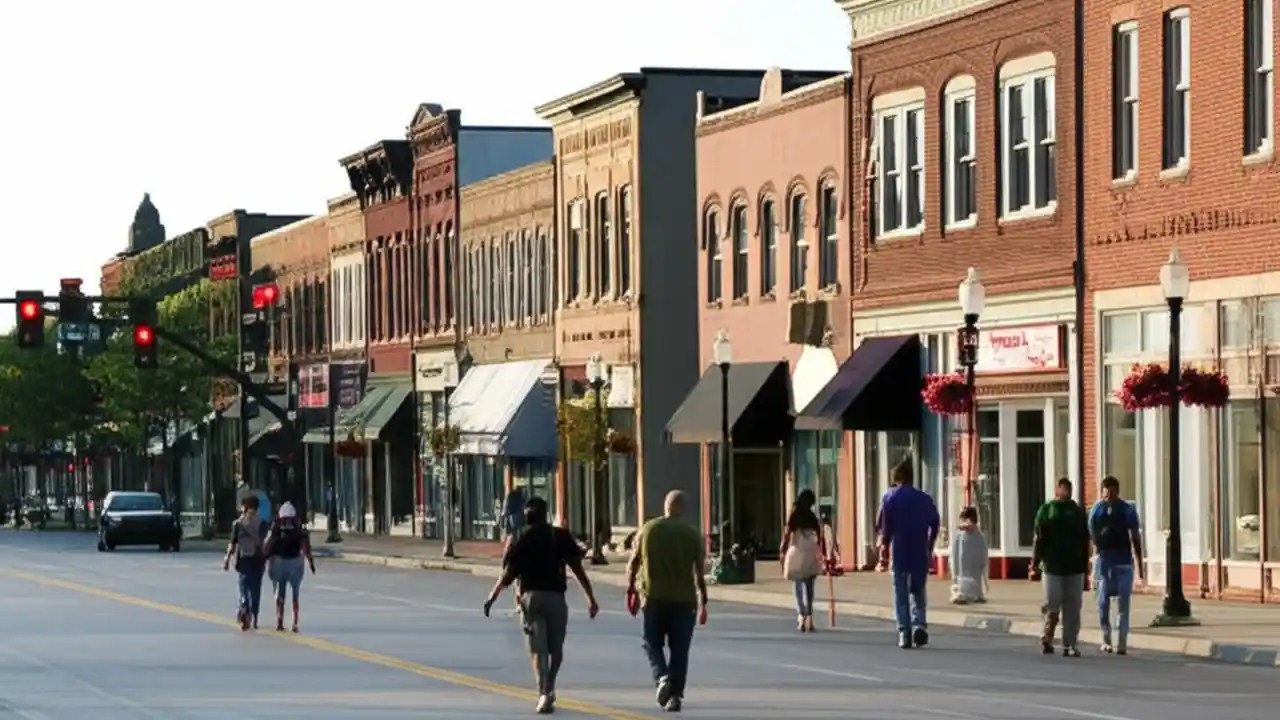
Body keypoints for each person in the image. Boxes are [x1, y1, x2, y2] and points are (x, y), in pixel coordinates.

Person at [483, 496, 598, 715]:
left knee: (538, 651)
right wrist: (590, 597)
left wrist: (492, 596)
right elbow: (578, 569)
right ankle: (550, 685)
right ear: (546, 514)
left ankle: (544, 692)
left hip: (531, 600)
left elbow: (508, 574)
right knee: (556, 651)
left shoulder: (521, 538)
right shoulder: (560, 536)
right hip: (555, 599)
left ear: (526, 516)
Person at [626, 490, 708, 713]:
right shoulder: (693, 534)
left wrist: (630, 590)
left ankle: (662, 676)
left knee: (651, 642)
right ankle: (675, 696)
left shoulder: (648, 529)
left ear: (666, 506)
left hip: (654, 598)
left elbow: (633, 563)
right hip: (684, 601)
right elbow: (699, 573)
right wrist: (704, 601)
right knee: (680, 650)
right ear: (684, 508)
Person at [876, 460, 940, 649]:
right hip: (919, 549)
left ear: (896, 478)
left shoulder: (889, 497)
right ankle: (919, 622)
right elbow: (935, 523)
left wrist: (884, 548)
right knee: (918, 589)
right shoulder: (924, 498)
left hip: (900, 549)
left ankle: (904, 631)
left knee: (900, 591)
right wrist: (930, 545)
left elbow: (883, 526)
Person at [1031, 477, 1090, 657]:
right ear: (1056, 489)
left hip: (1074, 566)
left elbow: (1085, 540)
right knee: (1052, 602)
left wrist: (1086, 566)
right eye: (1062, 487)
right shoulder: (1047, 510)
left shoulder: (1078, 512)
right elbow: (1039, 538)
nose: (1065, 491)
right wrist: (1034, 564)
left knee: (1073, 606)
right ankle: (1047, 636)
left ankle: (1070, 643)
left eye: (1068, 488)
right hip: (1052, 565)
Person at [1090, 475, 1145, 655]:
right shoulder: (1096, 511)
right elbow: (1092, 538)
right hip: (1104, 563)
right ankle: (1106, 638)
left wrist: (1139, 564)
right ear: (1102, 493)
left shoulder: (1127, 510)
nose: (1109, 500)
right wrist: (1091, 563)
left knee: (1123, 604)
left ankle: (1122, 642)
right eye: (1106, 496)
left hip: (1123, 563)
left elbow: (1135, 537)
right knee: (1103, 603)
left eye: (1112, 495)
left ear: (1118, 492)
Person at [265, 501, 315, 633]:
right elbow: (305, 547)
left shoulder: (276, 527)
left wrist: (264, 559)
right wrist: (310, 562)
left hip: (279, 562)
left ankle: (279, 621)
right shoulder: (299, 529)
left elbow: (269, 545)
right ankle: (295, 622)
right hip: (295, 562)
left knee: (280, 593)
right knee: (295, 594)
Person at [780, 489, 825, 632]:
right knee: (809, 585)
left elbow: (787, 534)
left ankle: (801, 614)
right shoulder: (812, 517)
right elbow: (820, 536)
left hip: (797, 551)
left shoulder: (794, 516)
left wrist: (782, 550)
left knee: (797, 584)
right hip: (811, 552)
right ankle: (810, 616)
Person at [223, 495, 269, 631]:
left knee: (244, 586)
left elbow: (232, 543)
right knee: (256, 588)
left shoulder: (238, 523)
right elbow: (265, 543)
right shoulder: (263, 523)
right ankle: (254, 617)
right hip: (258, 559)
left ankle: (244, 607)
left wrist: (227, 558)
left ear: (246, 507)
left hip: (243, 559)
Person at [949, 506, 989, 605]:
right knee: (966, 578)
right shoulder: (974, 535)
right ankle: (969, 594)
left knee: (967, 577)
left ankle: (965, 593)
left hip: (969, 574)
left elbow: (954, 556)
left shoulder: (968, 535)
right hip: (965, 575)